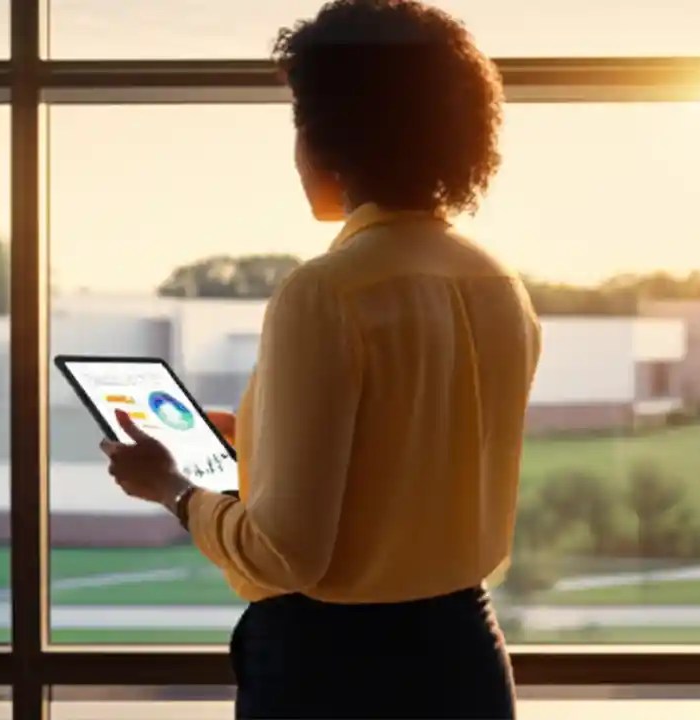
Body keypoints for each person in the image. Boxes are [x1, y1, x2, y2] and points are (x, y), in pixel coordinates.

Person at [101, 1, 541, 717]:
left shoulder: (325, 293)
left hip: (337, 675)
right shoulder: (499, 285)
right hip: (467, 659)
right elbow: (417, 456)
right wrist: (262, 441)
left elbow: (285, 556)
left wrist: (174, 489)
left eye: (299, 121)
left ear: (334, 134)